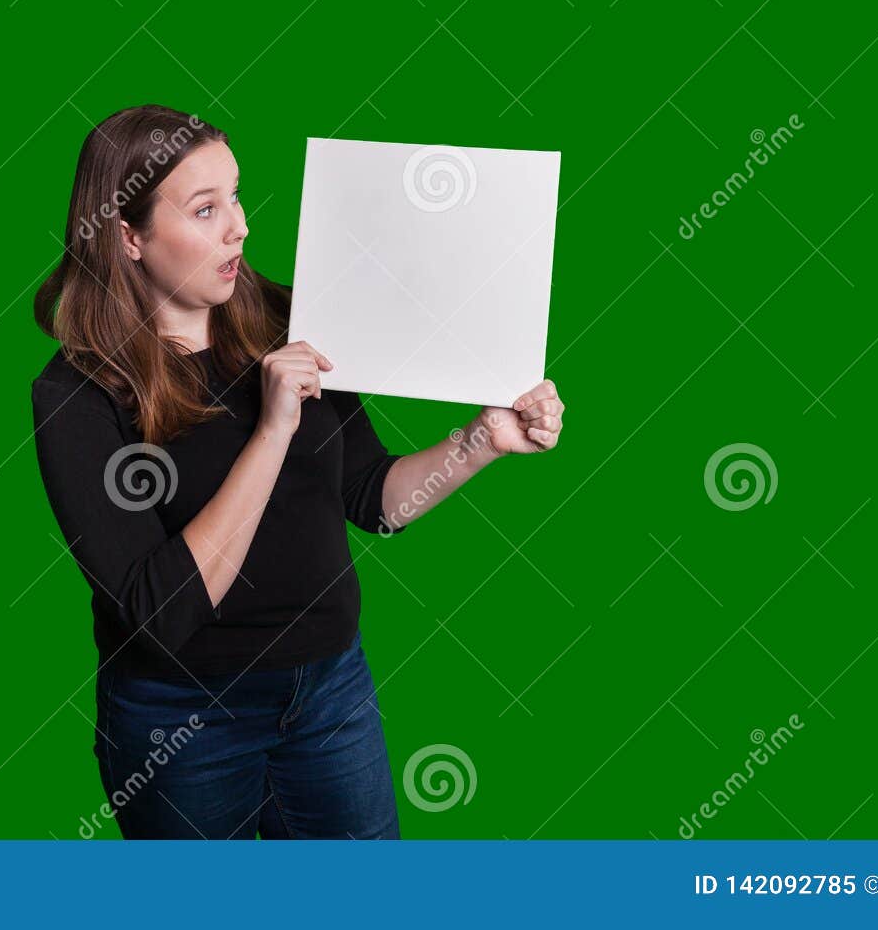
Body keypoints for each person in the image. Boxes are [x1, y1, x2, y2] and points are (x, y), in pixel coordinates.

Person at [30, 104, 563, 839]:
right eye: (205, 208)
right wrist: (273, 426)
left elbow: (374, 498)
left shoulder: (288, 319)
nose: (239, 226)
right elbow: (163, 611)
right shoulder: (75, 396)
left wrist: (484, 439)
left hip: (329, 696)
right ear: (128, 236)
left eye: (237, 195)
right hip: (183, 725)